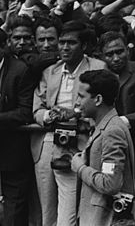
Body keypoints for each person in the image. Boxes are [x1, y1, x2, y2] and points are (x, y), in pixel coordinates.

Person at [32, 21, 107, 226]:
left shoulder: (98, 68)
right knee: (47, 209)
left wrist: (73, 114)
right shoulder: (50, 71)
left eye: (71, 43)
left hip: (81, 138)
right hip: (48, 136)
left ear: (83, 46)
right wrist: (49, 115)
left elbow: (103, 105)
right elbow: (36, 108)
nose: (65, 47)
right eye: (62, 42)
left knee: (69, 208)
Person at [72, 69, 135, 226]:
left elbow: (110, 183)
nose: (76, 102)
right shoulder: (103, 126)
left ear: (98, 99)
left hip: (105, 219)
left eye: (81, 96)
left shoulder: (112, 131)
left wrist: (80, 168)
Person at [0, 27, 34, 226]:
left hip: (12, 152)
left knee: (14, 215)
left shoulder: (20, 70)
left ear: (4, 47)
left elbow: (24, 112)